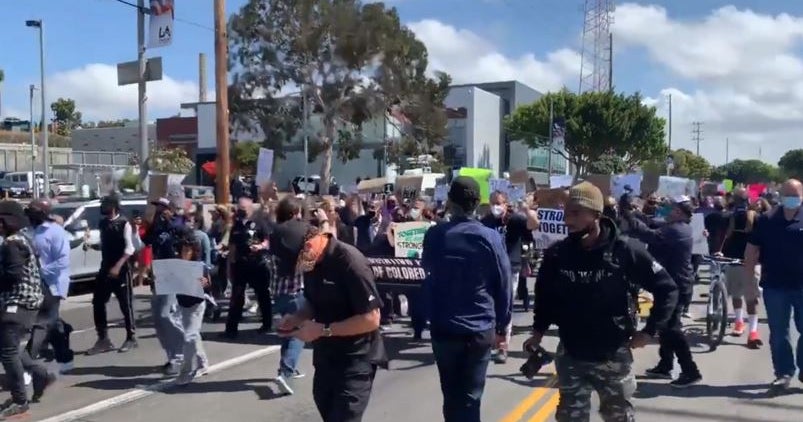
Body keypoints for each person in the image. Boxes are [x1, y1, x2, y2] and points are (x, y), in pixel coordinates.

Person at [523, 182, 679, 421]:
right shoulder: (557, 254)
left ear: (596, 214)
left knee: (618, 418)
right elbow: (545, 296)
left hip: (613, 355)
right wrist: (537, 332)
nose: (568, 220)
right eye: (566, 213)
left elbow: (667, 288)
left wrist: (649, 331)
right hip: (571, 353)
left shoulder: (626, 251)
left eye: (575, 213)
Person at [272, 219, 386, 422]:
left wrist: (323, 330)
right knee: (326, 408)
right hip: (326, 357)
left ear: (308, 246)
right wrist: (297, 318)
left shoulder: (350, 262)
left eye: (296, 263)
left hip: (355, 359)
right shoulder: (311, 261)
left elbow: (371, 319)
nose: (298, 269)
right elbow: (311, 301)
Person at [422, 176, 512, 422]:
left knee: (451, 396)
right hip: (478, 329)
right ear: (478, 204)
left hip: (445, 326)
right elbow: (503, 284)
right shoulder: (490, 237)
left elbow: (426, 274)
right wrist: (503, 326)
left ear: (450, 202)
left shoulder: (435, 235)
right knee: (470, 398)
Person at [625, 195, 703, 387]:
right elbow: (651, 222)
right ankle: (665, 365)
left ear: (679, 213)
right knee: (666, 327)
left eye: (672, 209)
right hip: (672, 284)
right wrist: (636, 212)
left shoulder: (676, 230)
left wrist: (627, 215)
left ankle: (690, 371)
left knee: (671, 329)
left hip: (677, 286)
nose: (667, 212)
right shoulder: (675, 226)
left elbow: (646, 234)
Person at [744, 179, 803, 393]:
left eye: (795, 194)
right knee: (779, 332)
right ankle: (784, 373)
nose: (791, 198)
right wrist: (749, 284)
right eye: (787, 193)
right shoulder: (767, 219)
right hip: (775, 286)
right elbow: (751, 252)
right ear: (780, 195)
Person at [0, 200, 53, 418]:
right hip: (24, 303)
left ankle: (20, 400)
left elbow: (12, 275)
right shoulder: (23, 239)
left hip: (18, 303)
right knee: (9, 348)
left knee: (8, 352)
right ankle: (41, 375)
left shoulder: (12, 243)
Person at [480, 190, 538, 363]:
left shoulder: (515, 219)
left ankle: (502, 346)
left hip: (510, 269)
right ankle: (492, 340)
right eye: (493, 203)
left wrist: (527, 210)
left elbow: (534, 225)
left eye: (499, 203)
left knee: (505, 306)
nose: (496, 207)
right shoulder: (486, 222)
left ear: (506, 204)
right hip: (489, 269)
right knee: (490, 306)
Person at [25, 199, 74, 373]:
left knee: (42, 323)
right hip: (33, 284)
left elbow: (63, 260)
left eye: (34, 211)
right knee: (49, 324)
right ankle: (64, 345)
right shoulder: (28, 232)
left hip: (52, 284)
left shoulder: (55, 232)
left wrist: (41, 270)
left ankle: (27, 365)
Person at [86, 195, 138, 355]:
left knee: (125, 304)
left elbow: (130, 249)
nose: (103, 207)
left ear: (113, 206)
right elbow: (105, 244)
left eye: (106, 205)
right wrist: (91, 244)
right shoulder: (103, 223)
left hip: (121, 269)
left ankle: (131, 337)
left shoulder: (124, 223)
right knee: (98, 302)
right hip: (105, 268)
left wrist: (118, 266)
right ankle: (103, 339)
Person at [142, 197, 187, 375]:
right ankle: (172, 357)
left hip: (175, 272)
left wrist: (171, 220)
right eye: (157, 208)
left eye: (162, 208)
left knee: (167, 315)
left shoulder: (178, 223)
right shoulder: (157, 226)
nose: (159, 211)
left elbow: (185, 234)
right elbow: (146, 242)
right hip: (159, 273)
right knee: (159, 318)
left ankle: (182, 354)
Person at [269, 197, 307, 395]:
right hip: (295, 291)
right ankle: (285, 373)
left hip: (278, 293)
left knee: (287, 331)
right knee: (298, 333)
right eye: (299, 213)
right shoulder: (296, 236)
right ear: (293, 213)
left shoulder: (275, 234)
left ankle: (286, 367)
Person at [718, 188, 762, 347]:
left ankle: (738, 322)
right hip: (752, 262)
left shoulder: (729, 217)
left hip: (733, 259)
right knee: (752, 298)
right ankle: (753, 332)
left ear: (734, 201)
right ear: (748, 201)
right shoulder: (757, 217)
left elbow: (721, 236)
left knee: (736, 294)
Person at [224, 196, 273, 338]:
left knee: (263, 295)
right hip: (240, 265)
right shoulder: (236, 226)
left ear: (250, 208)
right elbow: (232, 247)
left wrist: (260, 246)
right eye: (239, 209)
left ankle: (267, 324)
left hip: (258, 264)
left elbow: (268, 242)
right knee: (237, 296)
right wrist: (230, 267)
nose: (241, 212)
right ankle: (231, 329)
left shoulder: (260, 223)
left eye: (243, 209)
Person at [172, 226, 211, 386]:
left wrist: (204, 282)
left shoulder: (199, 266)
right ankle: (203, 362)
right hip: (183, 304)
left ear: (194, 251)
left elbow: (208, 283)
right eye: (183, 250)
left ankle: (187, 371)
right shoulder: (175, 265)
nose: (185, 253)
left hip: (196, 305)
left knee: (189, 336)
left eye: (188, 250)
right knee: (193, 335)